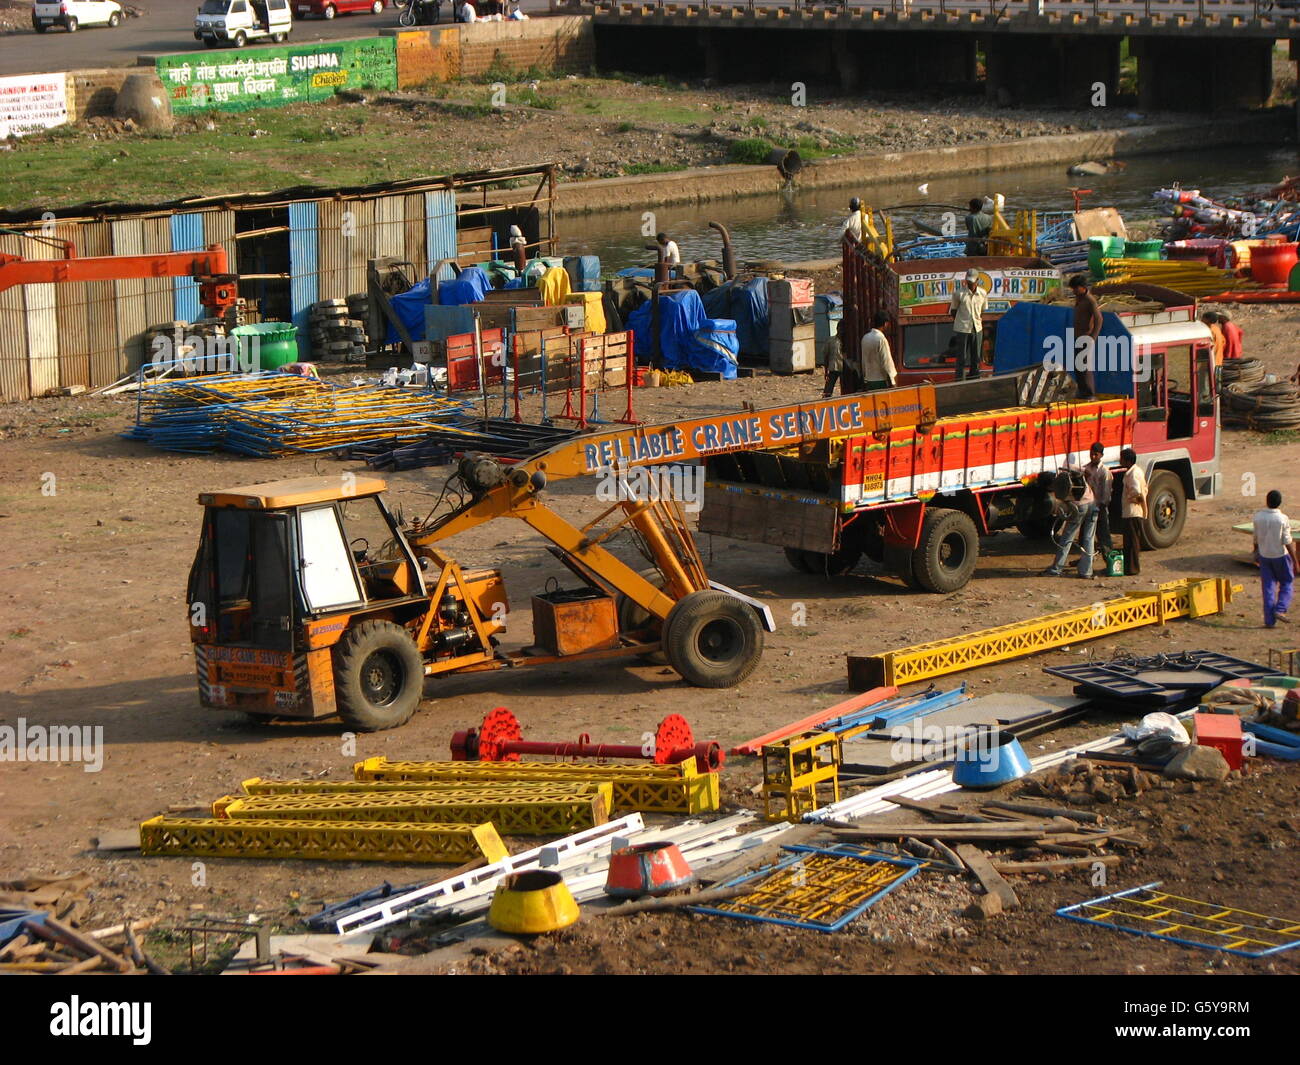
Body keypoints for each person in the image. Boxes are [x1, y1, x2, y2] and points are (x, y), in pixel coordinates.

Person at [1043, 461, 1098, 578]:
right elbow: (1087, 472)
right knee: (1089, 538)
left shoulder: (1060, 488)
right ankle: (1086, 571)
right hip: (1092, 502)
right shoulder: (1068, 469)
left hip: (1080, 506)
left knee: (1067, 537)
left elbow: (1065, 507)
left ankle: (1057, 568)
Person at [1253, 489, 1297, 627]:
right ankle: (1280, 609)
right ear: (1280, 503)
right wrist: (1295, 560)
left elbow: (1255, 538)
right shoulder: (1282, 518)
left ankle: (1269, 621)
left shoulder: (1258, 517)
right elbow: (1287, 541)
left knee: (1268, 587)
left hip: (1264, 555)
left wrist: (1255, 553)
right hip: (1280, 556)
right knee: (1287, 582)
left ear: (1267, 501)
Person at [948, 268, 987, 381]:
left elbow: (983, 310)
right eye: (968, 281)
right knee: (962, 358)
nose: (970, 283)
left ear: (977, 281)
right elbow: (953, 311)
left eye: (972, 281)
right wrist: (962, 322)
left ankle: (974, 379)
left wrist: (976, 320)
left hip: (977, 328)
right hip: (962, 329)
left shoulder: (982, 293)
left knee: (976, 357)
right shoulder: (958, 294)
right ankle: (959, 380)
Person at [1069, 274, 1102, 398]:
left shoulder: (1090, 300)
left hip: (1085, 338)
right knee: (1078, 366)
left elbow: (1099, 319)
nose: (1074, 291)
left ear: (1082, 287)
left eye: (1075, 288)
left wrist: (1093, 338)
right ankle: (1082, 391)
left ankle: (1089, 393)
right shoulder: (1079, 298)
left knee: (1085, 366)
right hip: (1077, 337)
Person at [1119, 448, 1147, 576]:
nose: (1120, 460)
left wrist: (1130, 499)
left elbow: (1137, 493)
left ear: (1127, 460)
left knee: (1132, 542)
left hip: (1132, 512)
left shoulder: (1133, 474)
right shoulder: (1137, 471)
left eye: (1122, 458)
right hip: (1134, 512)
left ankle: (1132, 569)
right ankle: (1131, 568)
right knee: (1132, 541)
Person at [1083, 441, 1114, 554]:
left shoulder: (1104, 471)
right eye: (1091, 454)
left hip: (1099, 507)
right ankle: (1085, 558)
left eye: (1096, 454)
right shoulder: (1086, 468)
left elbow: (1106, 492)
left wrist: (1101, 505)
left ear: (1101, 455)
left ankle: (1109, 557)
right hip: (1088, 506)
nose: (1093, 456)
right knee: (1085, 535)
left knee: (1103, 535)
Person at [860, 311, 897, 391]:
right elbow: (886, 362)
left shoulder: (865, 338)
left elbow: (863, 361)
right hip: (881, 382)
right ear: (885, 324)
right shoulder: (881, 339)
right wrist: (893, 382)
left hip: (869, 381)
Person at [822, 318, 858, 397]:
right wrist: (826, 371)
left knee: (847, 389)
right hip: (833, 368)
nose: (841, 330)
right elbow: (826, 356)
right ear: (837, 328)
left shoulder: (847, 342)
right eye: (840, 328)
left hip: (844, 369)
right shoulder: (831, 341)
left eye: (843, 329)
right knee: (827, 391)